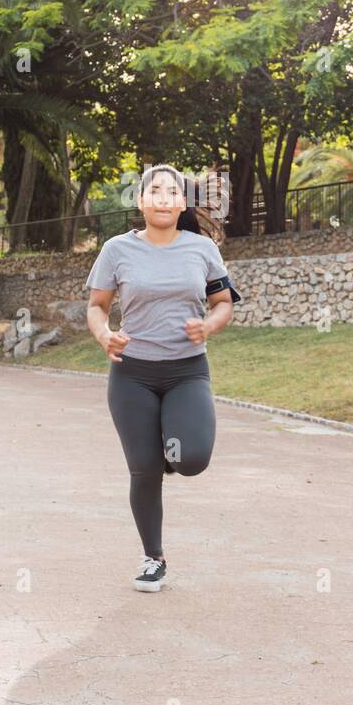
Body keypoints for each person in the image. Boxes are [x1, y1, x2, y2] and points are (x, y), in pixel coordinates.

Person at [85, 164, 238, 592]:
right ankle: (153, 558)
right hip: (131, 373)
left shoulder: (202, 249)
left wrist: (208, 325)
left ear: (183, 202)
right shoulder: (117, 249)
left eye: (173, 191)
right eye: (156, 190)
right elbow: (97, 306)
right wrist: (104, 336)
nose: (165, 197)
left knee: (191, 459)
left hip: (186, 371)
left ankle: (170, 449)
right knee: (144, 471)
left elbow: (224, 303)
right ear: (141, 201)